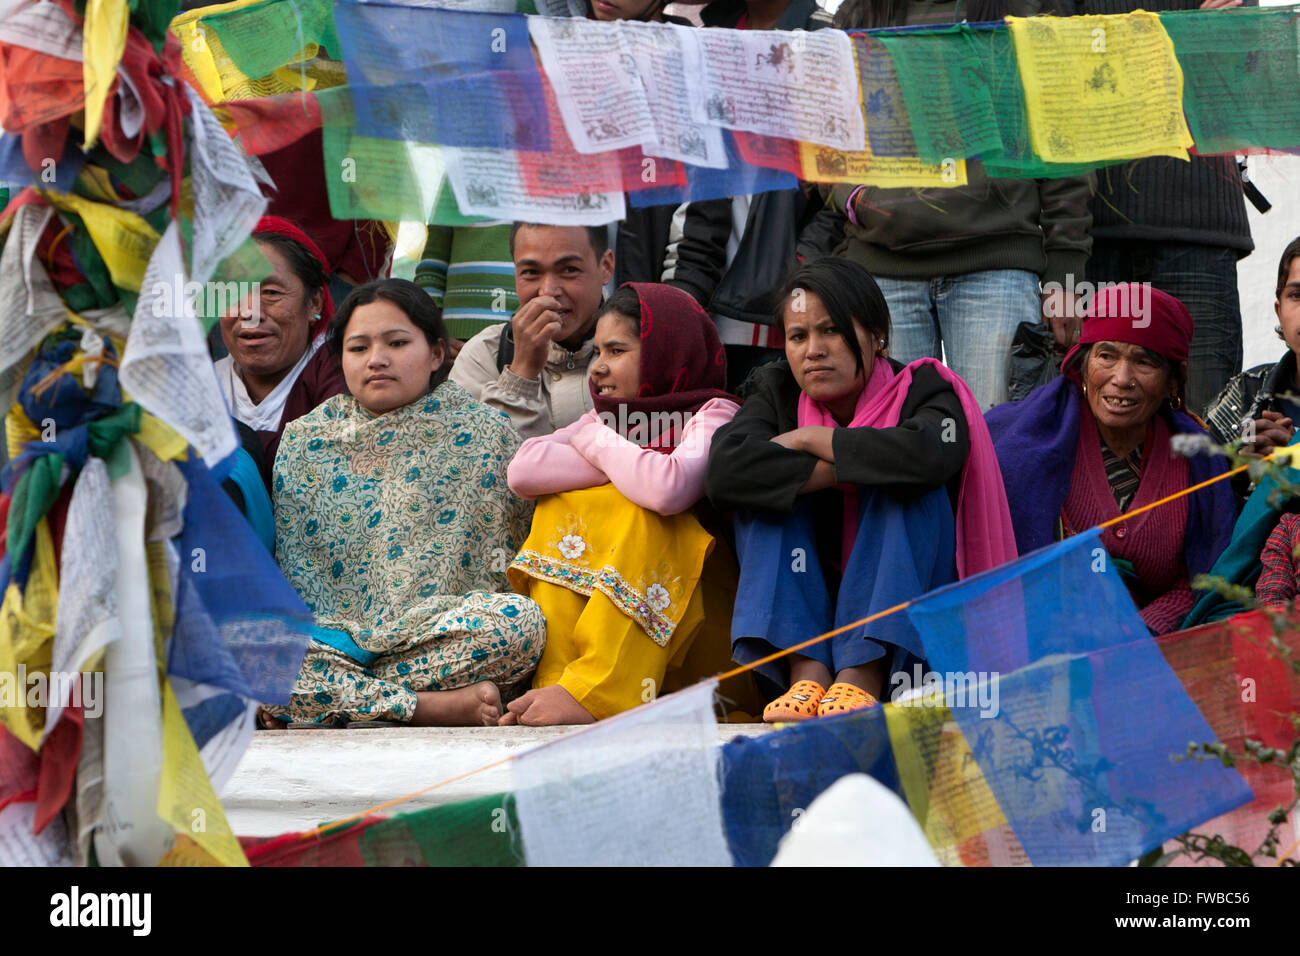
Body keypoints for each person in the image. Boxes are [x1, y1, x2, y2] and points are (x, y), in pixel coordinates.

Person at [707, 258, 1017, 721]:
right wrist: (845, 468)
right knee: (765, 503)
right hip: (816, 587)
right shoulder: (776, 391)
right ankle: (807, 671)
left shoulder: (924, 388)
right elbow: (727, 473)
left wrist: (813, 440)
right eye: (798, 336)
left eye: (830, 331)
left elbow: (930, 454)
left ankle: (862, 672)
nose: (813, 350)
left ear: (877, 335)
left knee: (905, 487)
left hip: (906, 598)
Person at [263, 279, 545, 727]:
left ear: (436, 354)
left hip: (438, 641)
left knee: (518, 626)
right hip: (334, 644)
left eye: (396, 342)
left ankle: (334, 704)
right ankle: (423, 706)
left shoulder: (484, 434)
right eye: (358, 348)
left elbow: (512, 571)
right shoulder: (304, 442)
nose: (377, 359)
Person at [813, 0, 1094, 413]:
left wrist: (1066, 275)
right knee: (895, 452)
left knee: (998, 445)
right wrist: (853, 196)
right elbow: (825, 129)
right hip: (881, 271)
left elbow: (1063, 142)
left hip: (996, 267)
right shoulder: (859, 14)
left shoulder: (1027, 11)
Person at [502, 284, 744, 724]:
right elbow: (523, 471)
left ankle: (598, 691)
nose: (597, 369)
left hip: (708, 644)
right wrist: (626, 458)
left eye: (616, 351)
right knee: (562, 503)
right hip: (656, 656)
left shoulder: (713, 414)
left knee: (646, 511)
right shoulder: (611, 423)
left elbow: (668, 489)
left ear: (666, 349)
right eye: (597, 352)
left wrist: (596, 442)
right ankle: (560, 680)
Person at [986, 284, 1236, 635]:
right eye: (1107, 356)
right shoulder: (1019, 443)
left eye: (1144, 362)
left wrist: (1138, 634)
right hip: (1036, 648)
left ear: (1172, 383)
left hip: (1154, 654)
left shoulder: (1197, 458)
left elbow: (1199, 580)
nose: (1121, 379)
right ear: (1082, 365)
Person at [1067, 0, 1256, 415]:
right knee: (1083, 427)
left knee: (1205, 428)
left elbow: (1243, 60)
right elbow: (1048, 54)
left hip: (1196, 222)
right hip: (1081, 227)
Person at [661, 0, 842, 393]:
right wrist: (680, 304)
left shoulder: (828, 37)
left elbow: (843, 183)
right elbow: (694, 188)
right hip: (709, 307)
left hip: (795, 321)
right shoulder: (706, 38)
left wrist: (802, 265)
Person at [214, 216, 347, 483]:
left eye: (271, 292)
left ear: (315, 303)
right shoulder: (199, 386)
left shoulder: (343, 375)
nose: (250, 313)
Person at [450, 223, 614, 438]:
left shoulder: (642, 347)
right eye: (531, 272)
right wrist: (520, 375)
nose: (548, 291)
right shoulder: (485, 354)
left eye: (569, 270)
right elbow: (468, 462)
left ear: (606, 267)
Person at [1204, 236, 1300, 455]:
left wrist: (1293, 463)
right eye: (1297, 295)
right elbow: (1199, 479)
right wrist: (1242, 473)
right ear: (1279, 312)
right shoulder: (1248, 392)